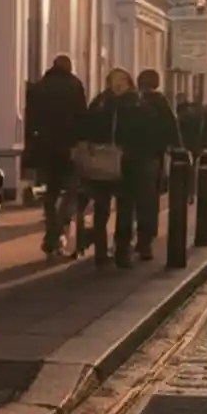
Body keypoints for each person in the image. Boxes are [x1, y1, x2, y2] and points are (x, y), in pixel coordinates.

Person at [82, 69, 151, 268]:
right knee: (101, 208)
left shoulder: (137, 103)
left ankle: (122, 250)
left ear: (129, 82)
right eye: (114, 80)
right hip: (103, 160)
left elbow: (145, 131)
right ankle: (101, 252)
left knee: (125, 208)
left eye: (122, 80)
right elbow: (88, 125)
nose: (118, 84)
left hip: (129, 162)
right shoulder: (102, 102)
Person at [26, 55, 88, 257]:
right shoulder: (74, 85)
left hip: (45, 147)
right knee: (71, 190)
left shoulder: (41, 86)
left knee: (50, 193)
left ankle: (52, 229)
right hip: (69, 147)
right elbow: (82, 116)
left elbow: (31, 117)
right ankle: (59, 227)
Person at [134, 70, 178, 261]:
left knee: (128, 200)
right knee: (149, 200)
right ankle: (145, 241)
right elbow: (171, 128)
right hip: (151, 157)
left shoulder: (131, 101)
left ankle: (123, 241)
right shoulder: (160, 103)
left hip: (128, 156)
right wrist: (178, 149)